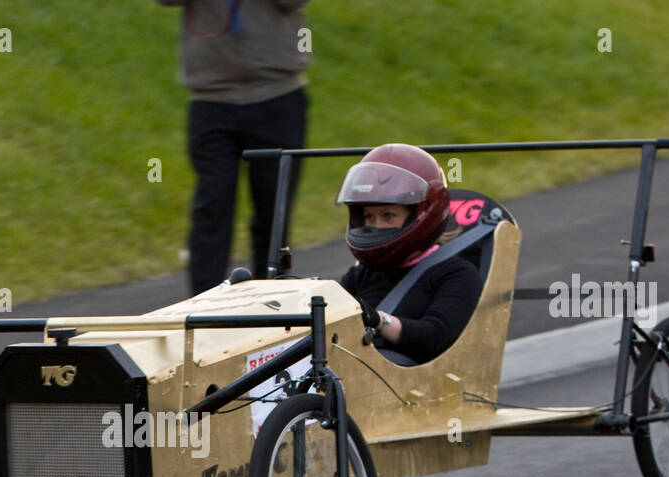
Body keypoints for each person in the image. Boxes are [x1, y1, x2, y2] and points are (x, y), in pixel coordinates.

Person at [155, 0, 310, 295]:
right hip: (210, 99)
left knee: (273, 212)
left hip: (278, 94)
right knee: (211, 207)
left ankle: (272, 303)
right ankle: (203, 306)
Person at [336, 143, 482, 366]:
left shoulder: (457, 273)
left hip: (415, 379)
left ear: (420, 216)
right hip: (351, 371)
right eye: (369, 217)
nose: (376, 226)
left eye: (388, 216)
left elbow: (435, 338)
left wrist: (377, 320)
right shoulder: (361, 274)